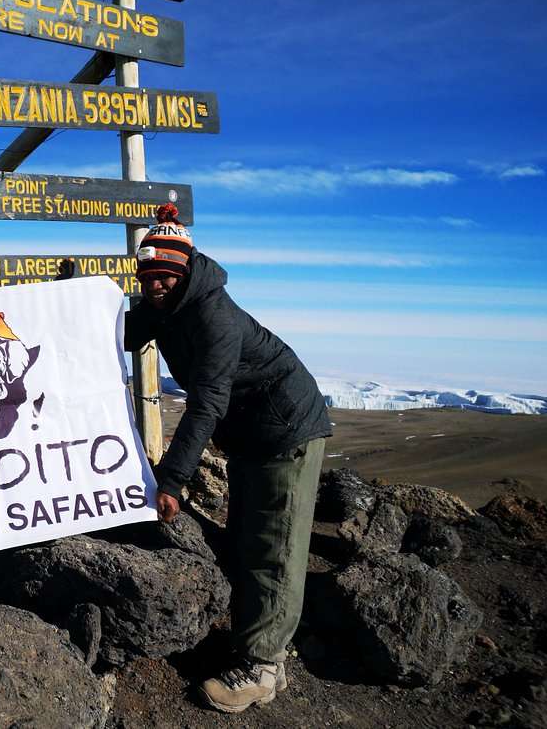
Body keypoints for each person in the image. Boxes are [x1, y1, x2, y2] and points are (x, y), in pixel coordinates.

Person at [123, 203, 332, 714]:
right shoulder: (163, 306)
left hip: (286, 431)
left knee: (273, 546)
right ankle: (262, 651)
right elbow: (124, 334)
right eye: (149, 276)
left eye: (167, 275)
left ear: (185, 272)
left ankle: (262, 668)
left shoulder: (212, 314)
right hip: (250, 434)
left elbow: (208, 402)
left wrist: (172, 480)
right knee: (245, 539)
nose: (157, 284)